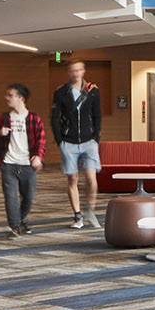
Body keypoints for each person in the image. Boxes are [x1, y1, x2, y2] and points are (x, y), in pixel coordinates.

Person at [52, 59, 103, 229]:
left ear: (83, 71)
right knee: (72, 178)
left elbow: (98, 116)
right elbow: (55, 117)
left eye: (79, 70)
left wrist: (96, 138)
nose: (75, 73)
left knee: (90, 177)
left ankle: (90, 210)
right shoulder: (61, 92)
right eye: (72, 70)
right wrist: (60, 140)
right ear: (69, 73)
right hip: (68, 142)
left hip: (89, 141)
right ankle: (77, 215)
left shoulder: (93, 91)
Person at [0, 82, 46, 236]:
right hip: (8, 163)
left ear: (21, 98)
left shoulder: (34, 118)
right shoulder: (4, 117)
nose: (6, 98)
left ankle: (21, 219)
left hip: (28, 165)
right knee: (11, 198)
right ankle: (15, 226)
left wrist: (38, 156)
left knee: (28, 198)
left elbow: (41, 140)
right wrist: (0, 132)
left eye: (10, 95)